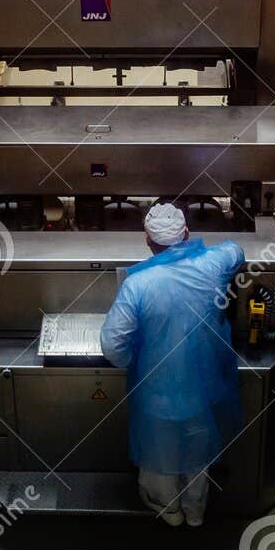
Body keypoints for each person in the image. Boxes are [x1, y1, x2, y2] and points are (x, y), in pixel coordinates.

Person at [100, 203, 245, 527]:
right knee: (198, 456)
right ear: (188, 235)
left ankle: (170, 513)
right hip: (204, 390)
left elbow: (112, 346)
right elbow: (236, 250)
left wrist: (132, 360)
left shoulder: (137, 285)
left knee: (159, 463)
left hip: (158, 395)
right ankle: (195, 512)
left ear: (148, 242)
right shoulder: (213, 264)